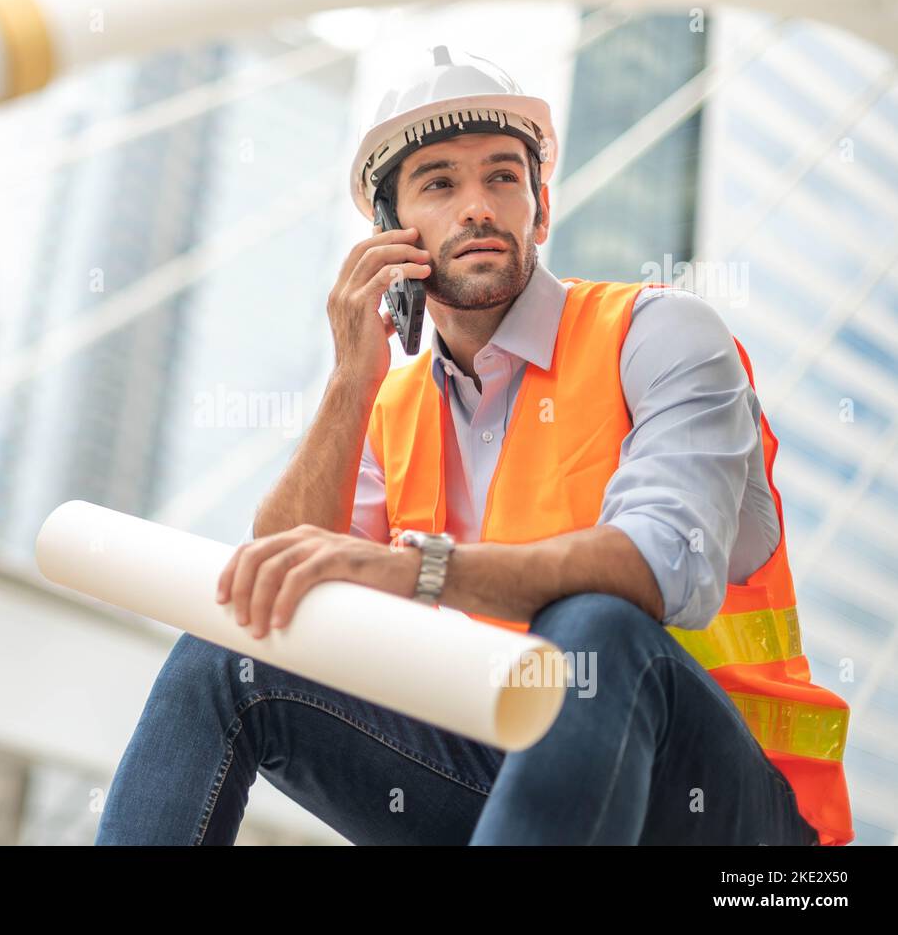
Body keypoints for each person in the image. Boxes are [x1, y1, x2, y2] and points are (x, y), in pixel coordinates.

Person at [95, 46, 852, 846]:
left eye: (502, 177)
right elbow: (279, 596)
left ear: (541, 209)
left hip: (733, 820)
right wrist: (351, 379)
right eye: (439, 184)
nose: (478, 207)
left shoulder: (657, 335)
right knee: (226, 655)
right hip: (524, 787)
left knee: (595, 628)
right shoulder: (389, 408)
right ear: (391, 234)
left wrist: (412, 569)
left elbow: (663, 564)